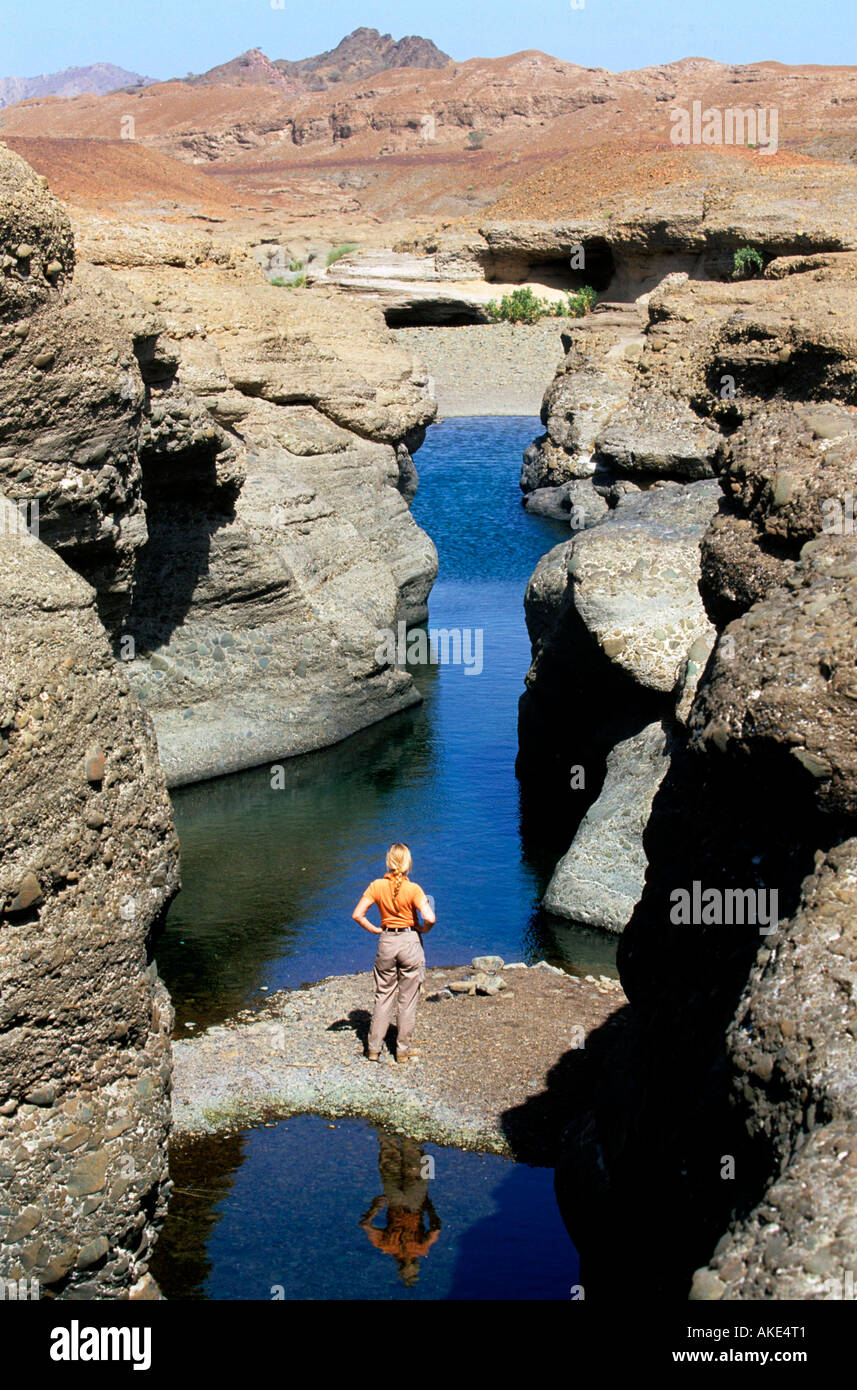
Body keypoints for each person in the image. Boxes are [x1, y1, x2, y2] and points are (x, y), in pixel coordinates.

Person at [352, 843, 435, 1064]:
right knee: (407, 1000)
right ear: (408, 864)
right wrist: (422, 929)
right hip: (409, 942)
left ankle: (373, 1050)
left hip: (387, 940)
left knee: (383, 995)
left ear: (388, 862)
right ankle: (402, 1051)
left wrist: (375, 929)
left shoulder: (377, 886)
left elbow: (358, 914)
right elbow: (430, 918)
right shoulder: (414, 889)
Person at [358, 1129, 441, 1287]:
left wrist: (428, 1205)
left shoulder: (419, 1249)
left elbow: (436, 1228)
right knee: (390, 1162)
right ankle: (388, 1129)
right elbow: (365, 1225)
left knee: (415, 1164)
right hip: (395, 1201)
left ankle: (405, 1131)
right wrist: (376, 1207)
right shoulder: (387, 1246)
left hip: (414, 1204)